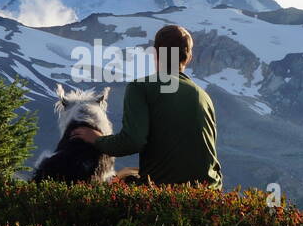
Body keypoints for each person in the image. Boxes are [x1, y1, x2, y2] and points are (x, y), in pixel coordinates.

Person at [71, 24, 222, 188]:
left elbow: (132, 141)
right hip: (210, 192)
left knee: (115, 182)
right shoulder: (204, 96)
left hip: (164, 193)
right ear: (189, 57)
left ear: (155, 53)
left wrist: (96, 139)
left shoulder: (141, 87)